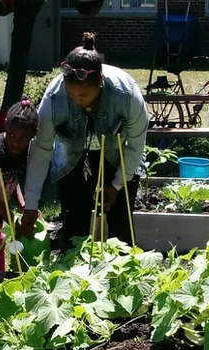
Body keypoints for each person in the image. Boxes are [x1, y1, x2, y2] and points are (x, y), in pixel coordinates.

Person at [21, 33, 149, 248]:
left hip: (119, 156)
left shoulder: (127, 95)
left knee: (120, 228)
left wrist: (117, 185)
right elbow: (41, 148)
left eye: (83, 96)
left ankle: (121, 266)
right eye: (71, 95)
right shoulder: (54, 99)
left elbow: (136, 145)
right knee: (74, 227)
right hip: (71, 157)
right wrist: (31, 204)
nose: (77, 101)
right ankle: (71, 263)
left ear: (100, 82)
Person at [0, 98, 39, 275]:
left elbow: (11, 180)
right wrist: (13, 220)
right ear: (5, 126)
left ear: (33, 134)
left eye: (23, 138)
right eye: (12, 135)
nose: (16, 142)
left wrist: (23, 204)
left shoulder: (26, 151)